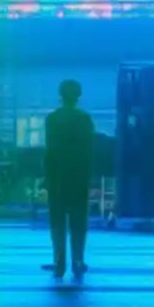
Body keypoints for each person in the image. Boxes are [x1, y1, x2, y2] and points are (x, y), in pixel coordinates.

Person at [44, 79, 95, 280]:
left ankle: (59, 262)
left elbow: (49, 151)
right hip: (78, 178)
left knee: (57, 222)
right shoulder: (84, 119)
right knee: (78, 222)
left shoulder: (52, 119)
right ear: (78, 96)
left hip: (57, 178)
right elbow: (89, 151)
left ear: (61, 95)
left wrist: (47, 178)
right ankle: (78, 261)